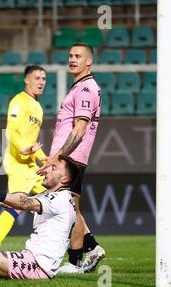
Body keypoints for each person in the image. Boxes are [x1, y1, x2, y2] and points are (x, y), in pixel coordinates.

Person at [36, 42, 105, 273]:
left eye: (78, 56)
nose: (72, 59)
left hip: (71, 158)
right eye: (70, 55)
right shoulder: (80, 87)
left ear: (89, 61)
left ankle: (78, 260)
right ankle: (88, 250)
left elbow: (79, 129)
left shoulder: (86, 89)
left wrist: (58, 156)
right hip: (69, 157)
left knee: (70, 210)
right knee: (70, 209)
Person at [0, 65, 47, 250]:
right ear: (26, 80)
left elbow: (33, 142)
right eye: (37, 78)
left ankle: (75, 247)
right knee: (17, 205)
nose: (41, 82)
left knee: (55, 198)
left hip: (31, 165)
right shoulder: (19, 101)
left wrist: (45, 160)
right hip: (17, 163)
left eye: (44, 79)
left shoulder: (38, 107)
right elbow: (11, 131)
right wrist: (23, 149)